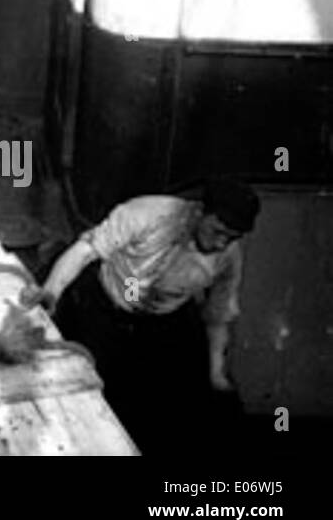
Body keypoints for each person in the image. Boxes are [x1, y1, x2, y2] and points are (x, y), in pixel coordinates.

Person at [21, 177, 261, 453]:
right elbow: (84, 251)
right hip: (107, 306)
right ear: (200, 212)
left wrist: (216, 372)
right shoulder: (147, 214)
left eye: (232, 237)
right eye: (218, 231)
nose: (221, 243)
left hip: (161, 320)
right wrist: (51, 292)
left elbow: (218, 316)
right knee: (93, 393)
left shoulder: (228, 256)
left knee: (170, 407)